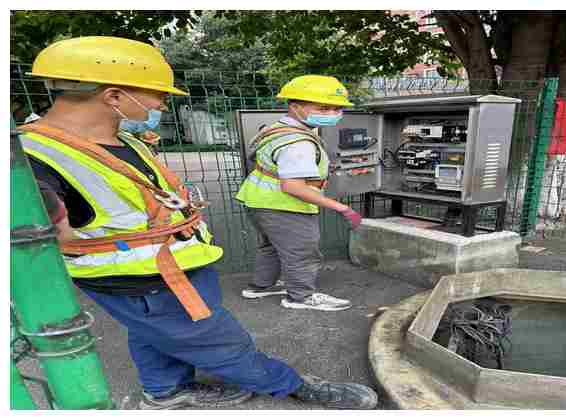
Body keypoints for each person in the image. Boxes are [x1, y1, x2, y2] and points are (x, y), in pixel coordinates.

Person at [19, 36, 377, 410]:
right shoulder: (31, 160)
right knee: (216, 340)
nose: (161, 105)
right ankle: (292, 385)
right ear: (113, 96)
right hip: (140, 280)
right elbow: (43, 229)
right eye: (157, 95)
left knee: (151, 334)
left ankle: (165, 391)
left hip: (169, 264)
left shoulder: (121, 140)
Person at [235, 75, 362, 311]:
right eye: (323, 108)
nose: (332, 113)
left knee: (271, 246)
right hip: (283, 205)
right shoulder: (298, 143)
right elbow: (293, 186)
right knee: (302, 251)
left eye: (337, 108)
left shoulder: (278, 128)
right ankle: (300, 297)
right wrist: (341, 207)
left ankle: (260, 287)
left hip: (258, 200)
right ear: (295, 107)